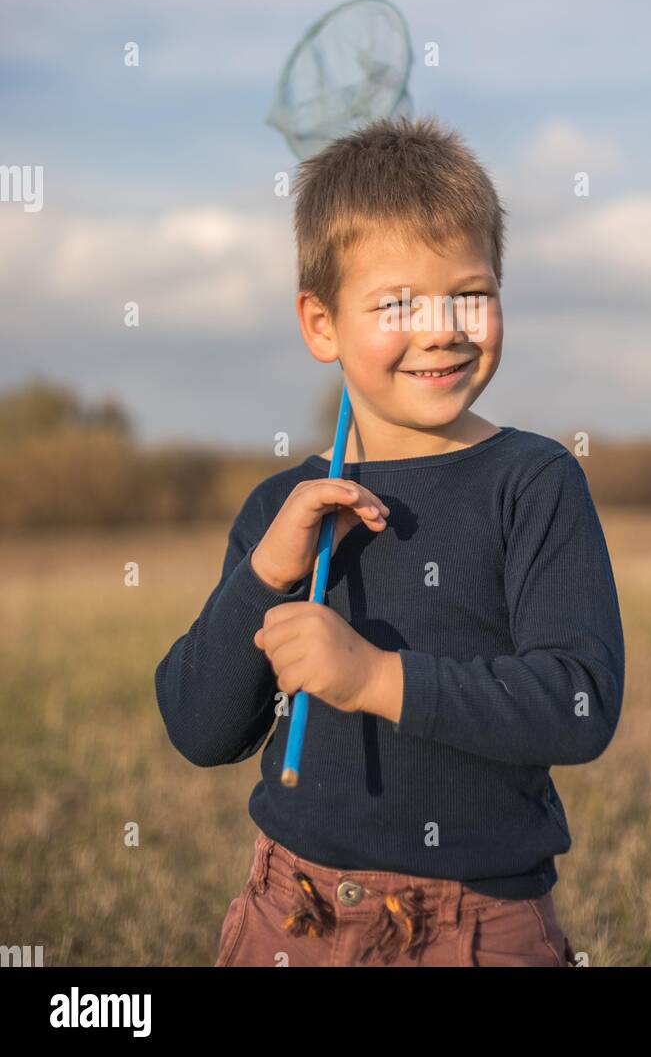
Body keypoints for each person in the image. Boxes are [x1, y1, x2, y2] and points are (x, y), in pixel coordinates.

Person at [154, 115, 625, 967]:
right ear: (321, 324)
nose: (442, 328)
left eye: (469, 293)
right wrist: (267, 574)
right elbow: (199, 728)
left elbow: (578, 703)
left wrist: (375, 677)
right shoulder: (283, 510)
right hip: (290, 914)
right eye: (398, 303)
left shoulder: (535, 481)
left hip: (479, 925)